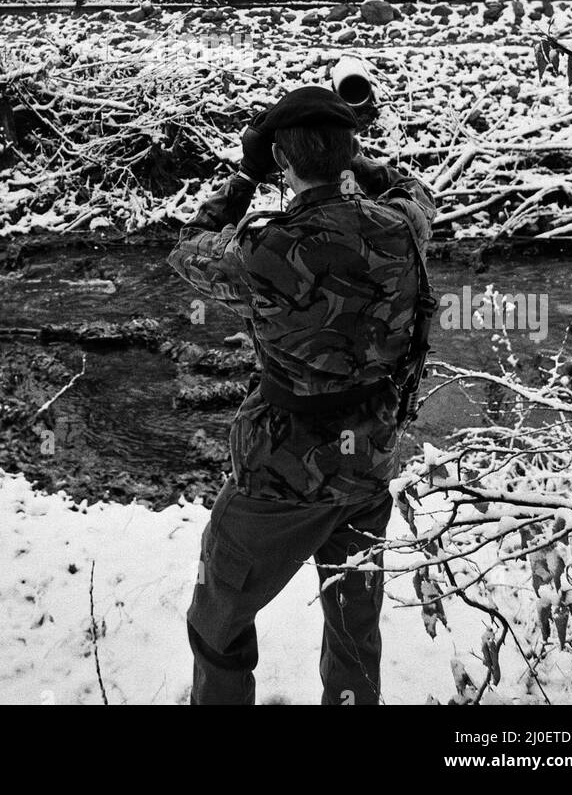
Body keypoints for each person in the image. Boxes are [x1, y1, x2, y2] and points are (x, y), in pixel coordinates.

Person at [167, 85, 435, 706]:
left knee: (219, 618)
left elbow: (187, 248)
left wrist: (244, 177)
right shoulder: (402, 229)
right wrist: (358, 162)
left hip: (280, 471)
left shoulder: (264, 249)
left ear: (283, 164)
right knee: (353, 629)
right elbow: (415, 193)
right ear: (349, 154)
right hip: (368, 459)